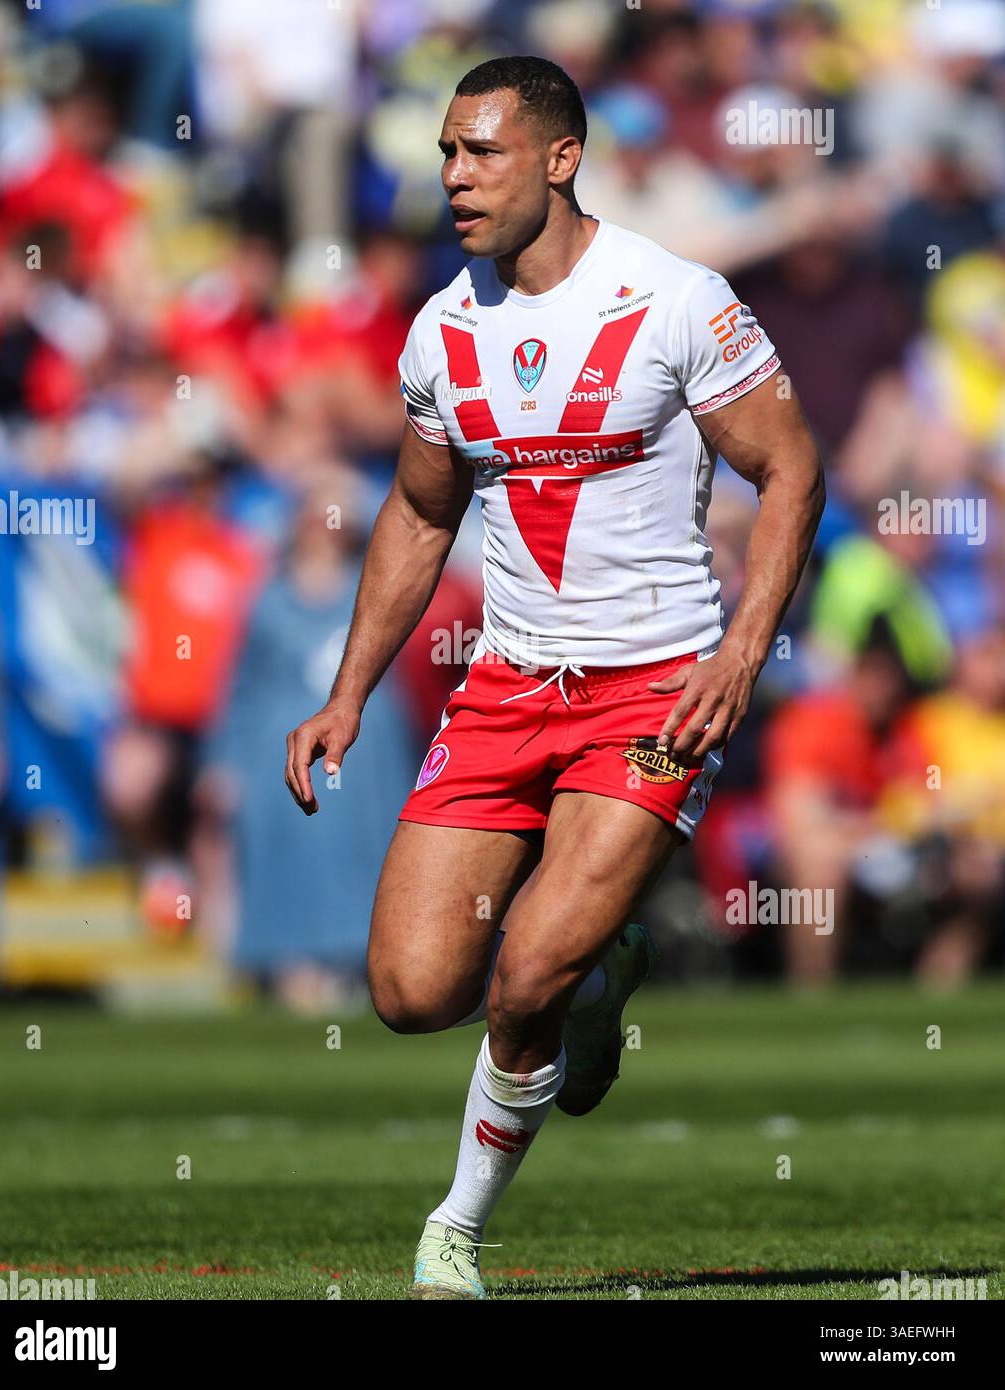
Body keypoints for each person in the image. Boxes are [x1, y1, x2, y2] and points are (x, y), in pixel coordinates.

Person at [284, 55, 824, 1299]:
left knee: (519, 972)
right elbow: (419, 518)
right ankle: (598, 973)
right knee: (414, 990)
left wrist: (740, 650)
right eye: (444, 152)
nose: (452, 176)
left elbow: (789, 469)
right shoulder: (443, 328)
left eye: (480, 152)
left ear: (561, 158)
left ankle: (454, 1231)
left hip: (654, 686)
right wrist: (348, 690)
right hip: (506, 685)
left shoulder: (676, 298)